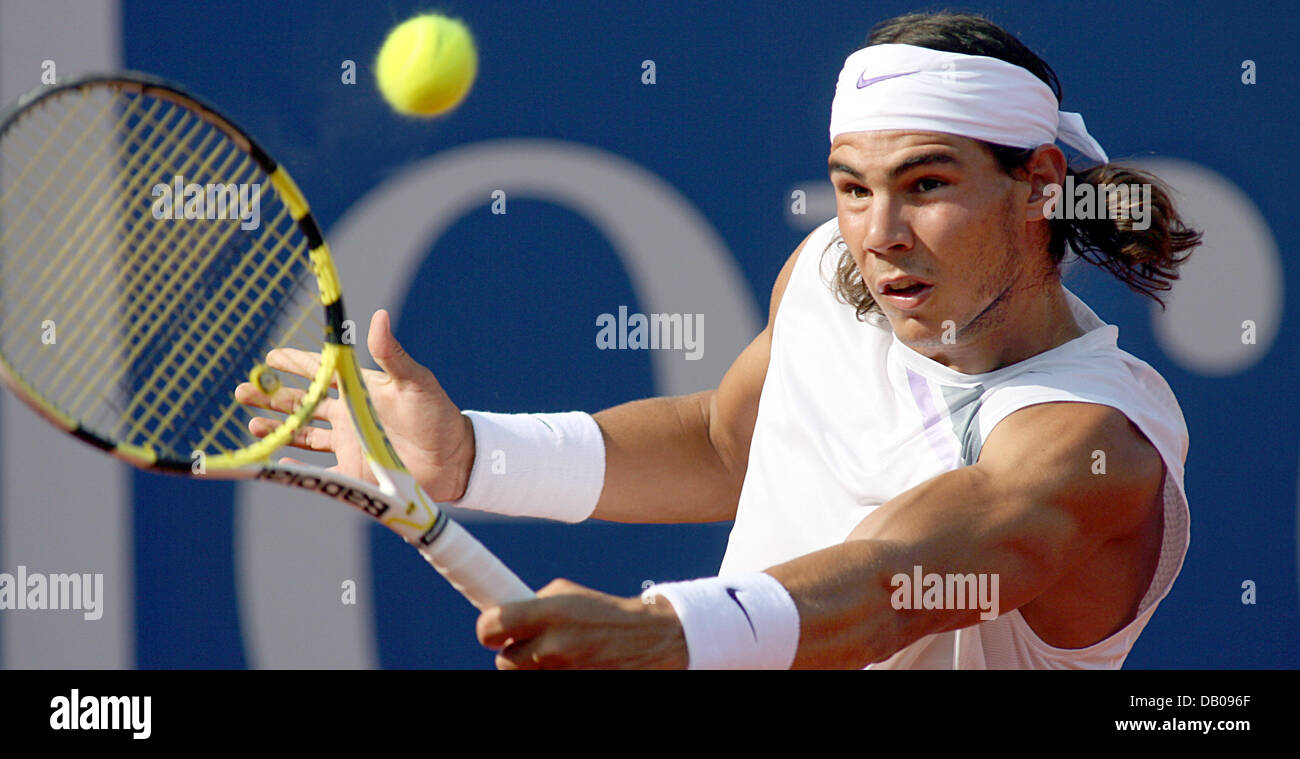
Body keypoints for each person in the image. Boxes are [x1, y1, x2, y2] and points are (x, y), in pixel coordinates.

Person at [239, 11, 1201, 669]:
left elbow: (889, 584)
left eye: (927, 184)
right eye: (853, 184)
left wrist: (667, 630)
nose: (878, 232)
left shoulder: (1093, 440)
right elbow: (724, 445)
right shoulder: (828, 267)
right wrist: (478, 456)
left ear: (1038, 182)